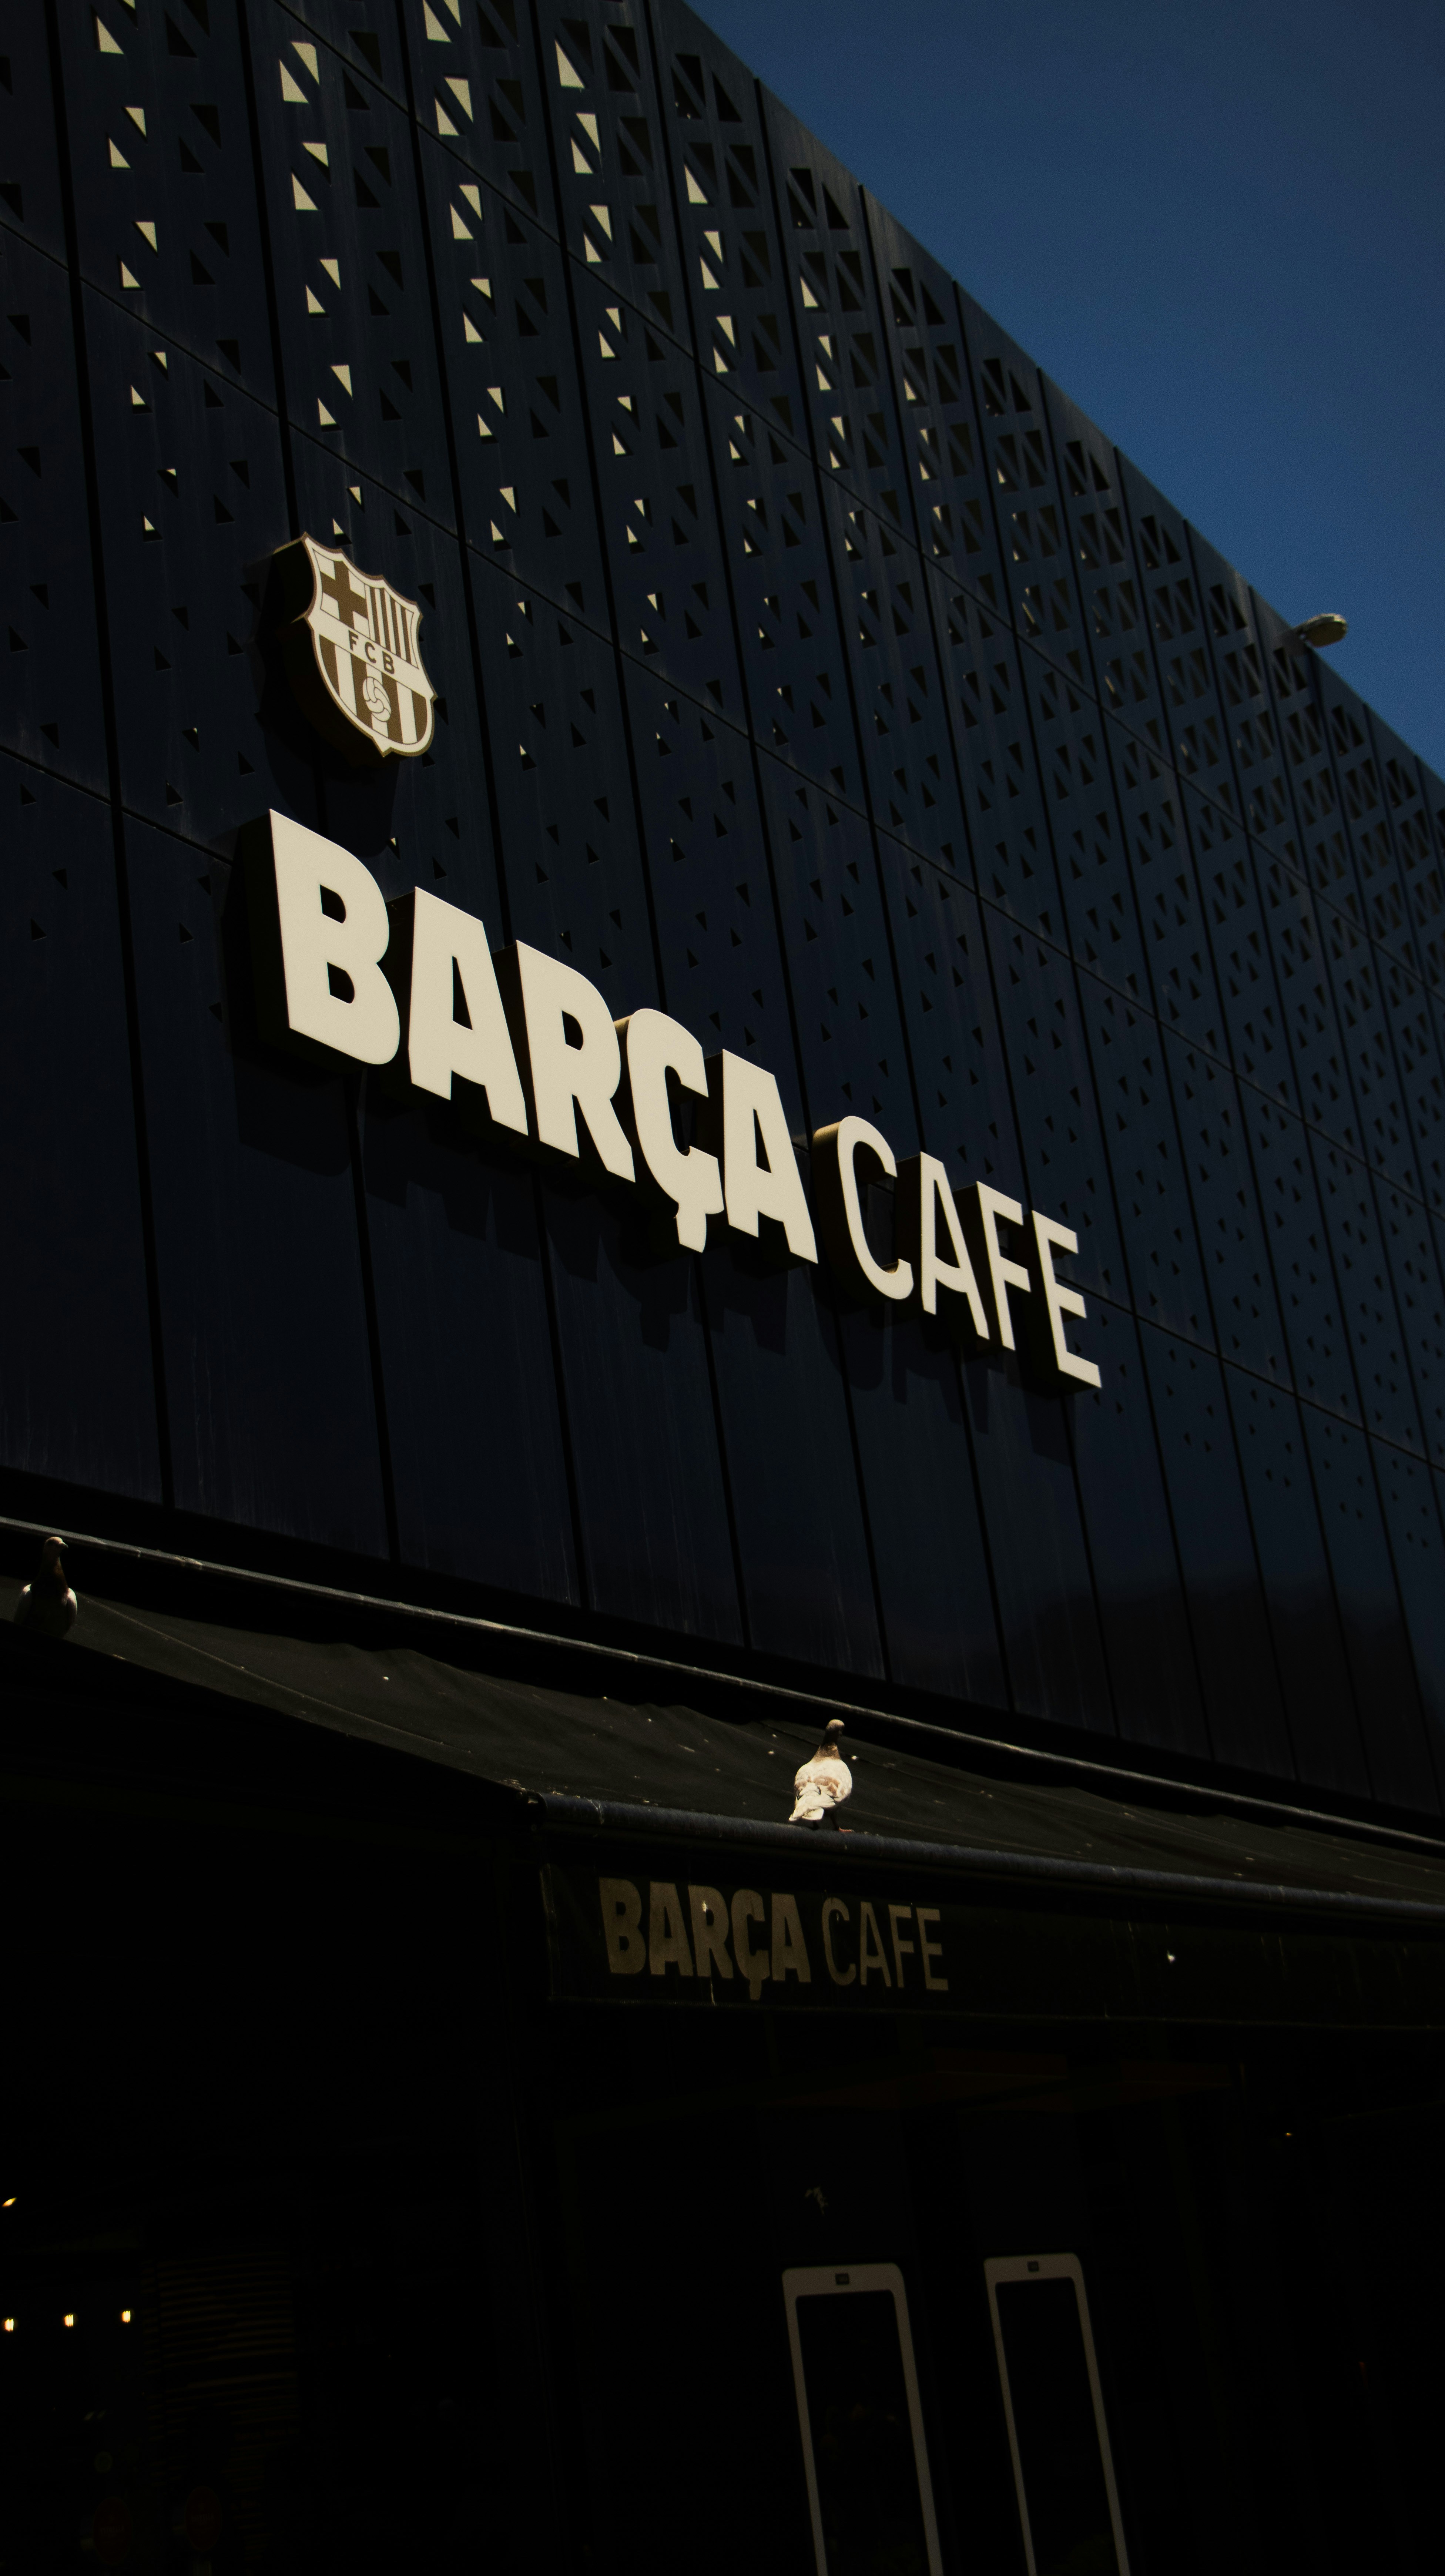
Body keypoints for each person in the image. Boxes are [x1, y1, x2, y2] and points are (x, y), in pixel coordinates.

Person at [13, 1535, 78, 1637]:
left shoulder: (70, 1597)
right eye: (54, 1545)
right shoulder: (29, 1594)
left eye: (60, 1544)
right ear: (46, 1549)